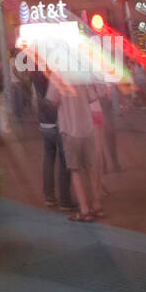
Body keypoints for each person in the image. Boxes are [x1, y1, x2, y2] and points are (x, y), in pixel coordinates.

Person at [47, 74, 103, 223]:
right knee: (91, 167)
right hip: (87, 127)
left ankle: (84, 210)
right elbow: (92, 97)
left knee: (75, 170)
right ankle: (97, 205)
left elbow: (52, 101)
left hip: (70, 129)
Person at [31, 67, 74, 209]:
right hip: (57, 120)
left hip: (44, 120)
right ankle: (65, 199)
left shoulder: (35, 70)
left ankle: (49, 196)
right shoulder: (52, 71)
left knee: (49, 157)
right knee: (64, 159)